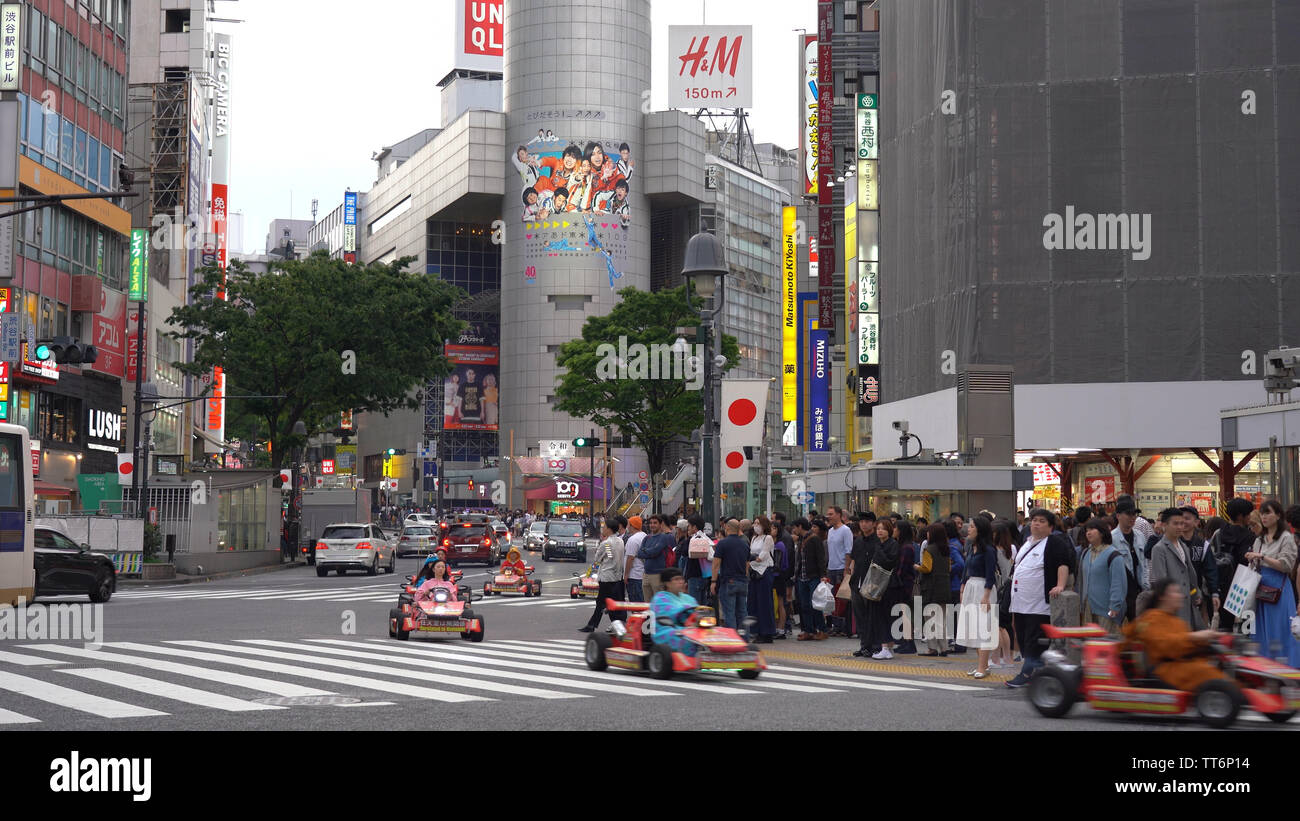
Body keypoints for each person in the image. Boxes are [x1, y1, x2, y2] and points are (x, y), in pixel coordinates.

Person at [1121, 577, 1229, 692]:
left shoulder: (1177, 621)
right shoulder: (1150, 618)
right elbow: (1164, 645)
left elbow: (1186, 647)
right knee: (1206, 673)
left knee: (1218, 664)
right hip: (1163, 670)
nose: (1180, 596)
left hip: (1179, 664)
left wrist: (1210, 643)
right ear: (1162, 597)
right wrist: (1195, 637)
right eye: (1175, 592)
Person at [1005, 509, 1073, 688]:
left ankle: (1027, 673)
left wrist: (1060, 585)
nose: (1036, 523)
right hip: (1020, 602)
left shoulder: (1054, 542)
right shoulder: (1026, 543)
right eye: (1034, 520)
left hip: (1038, 604)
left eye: (1042, 521)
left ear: (1050, 527)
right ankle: (1037, 670)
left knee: (1034, 640)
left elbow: (1062, 564)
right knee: (1022, 636)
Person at [1245, 499, 1300, 665]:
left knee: (1281, 629)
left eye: (1268, 512)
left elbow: (1286, 565)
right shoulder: (1259, 539)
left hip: (1279, 589)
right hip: (1261, 588)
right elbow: (1256, 563)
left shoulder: (1286, 538)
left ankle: (1288, 666)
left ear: (1278, 515)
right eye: (1262, 513)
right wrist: (1253, 560)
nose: (1264, 516)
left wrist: (1262, 557)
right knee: (1262, 629)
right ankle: (1265, 666)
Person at [1147, 508, 1205, 630]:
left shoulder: (1183, 546)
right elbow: (1160, 581)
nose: (1179, 527)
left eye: (1181, 523)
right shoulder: (1159, 549)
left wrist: (1196, 593)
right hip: (1172, 607)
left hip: (1188, 604)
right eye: (1175, 523)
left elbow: (1190, 576)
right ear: (1164, 525)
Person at [956, 516, 999, 677]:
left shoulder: (988, 550)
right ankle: (982, 665)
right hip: (970, 588)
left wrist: (986, 596)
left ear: (980, 530)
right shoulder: (971, 547)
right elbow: (966, 571)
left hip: (983, 589)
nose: (969, 529)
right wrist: (962, 589)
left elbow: (990, 575)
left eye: (972, 526)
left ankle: (983, 667)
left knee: (983, 628)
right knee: (972, 628)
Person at [1075, 518, 1127, 637]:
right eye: (1087, 530)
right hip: (1088, 608)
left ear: (1102, 532)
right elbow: (1081, 581)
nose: (1088, 533)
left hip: (1106, 610)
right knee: (1090, 644)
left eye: (1092, 529)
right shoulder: (1086, 553)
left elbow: (1118, 583)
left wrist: (1115, 606)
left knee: (1106, 643)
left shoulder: (1113, 555)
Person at [862, 518, 902, 659]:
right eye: (878, 528)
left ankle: (885, 647)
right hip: (879, 584)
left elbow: (889, 562)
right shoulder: (880, 544)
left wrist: (878, 550)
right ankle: (886, 646)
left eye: (883, 529)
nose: (879, 531)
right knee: (881, 615)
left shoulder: (892, 545)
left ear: (889, 531)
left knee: (883, 615)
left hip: (888, 585)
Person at [579, 518, 625, 632]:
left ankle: (610, 626)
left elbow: (598, 559)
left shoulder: (607, 543)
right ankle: (593, 625)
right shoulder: (620, 541)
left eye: (604, 527)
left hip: (606, 577)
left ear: (609, 529)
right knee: (608, 603)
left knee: (603, 603)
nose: (602, 529)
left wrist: (600, 550)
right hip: (617, 577)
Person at [847, 513, 881, 657]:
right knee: (860, 616)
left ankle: (875, 645)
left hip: (872, 584)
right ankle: (864, 645)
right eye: (862, 521)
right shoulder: (858, 541)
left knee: (872, 616)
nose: (864, 524)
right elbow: (853, 560)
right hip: (857, 583)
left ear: (873, 523)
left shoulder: (879, 541)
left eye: (867, 521)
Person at [711, 519, 751, 635]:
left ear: (727, 528)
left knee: (729, 613)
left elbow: (716, 564)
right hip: (743, 581)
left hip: (728, 581)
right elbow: (747, 566)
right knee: (742, 612)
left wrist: (713, 582)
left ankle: (733, 640)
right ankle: (744, 639)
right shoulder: (744, 544)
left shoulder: (722, 544)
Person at [650, 568, 701, 656]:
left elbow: (698, 611)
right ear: (667, 583)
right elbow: (668, 614)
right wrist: (685, 613)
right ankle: (694, 658)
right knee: (688, 639)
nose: (681, 582)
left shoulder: (688, 598)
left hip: (692, 627)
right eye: (676, 579)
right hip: (667, 629)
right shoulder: (660, 598)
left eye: (681, 579)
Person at [794, 517, 829, 641]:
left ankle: (822, 630)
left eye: (795, 527)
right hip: (801, 577)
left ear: (800, 526)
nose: (794, 530)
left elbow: (821, 558)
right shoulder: (801, 539)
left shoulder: (814, 539)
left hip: (813, 576)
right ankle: (809, 630)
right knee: (804, 605)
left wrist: (823, 575)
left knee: (815, 605)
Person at [747, 516, 777, 643]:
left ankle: (767, 632)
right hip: (754, 572)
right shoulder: (753, 538)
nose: (755, 525)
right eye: (754, 523)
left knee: (765, 603)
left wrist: (752, 559)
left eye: (758, 523)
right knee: (753, 602)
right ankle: (756, 631)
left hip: (765, 572)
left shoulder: (768, 538)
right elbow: (751, 554)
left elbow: (762, 556)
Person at [825, 507, 854, 636]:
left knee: (842, 598)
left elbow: (849, 550)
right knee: (832, 599)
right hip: (831, 568)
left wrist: (846, 569)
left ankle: (843, 627)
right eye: (828, 514)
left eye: (831, 514)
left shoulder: (846, 530)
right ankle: (835, 625)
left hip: (841, 568)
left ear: (839, 515)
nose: (828, 516)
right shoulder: (830, 531)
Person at [639, 514, 675, 600]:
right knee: (647, 604)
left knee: (659, 603)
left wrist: (645, 551)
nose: (652, 525)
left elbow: (655, 552)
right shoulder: (646, 538)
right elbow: (639, 553)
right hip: (646, 574)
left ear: (660, 524)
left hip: (658, 575)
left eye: (655, 523)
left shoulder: (664, 537)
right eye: (650, 523)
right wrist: (649, 551)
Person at [622, 515, 646, 603]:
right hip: (642, 574)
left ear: (632, 526)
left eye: (628, 524)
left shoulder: (633, 539)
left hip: (634, 575)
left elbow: (630, 558)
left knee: (636, 602)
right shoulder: (644, 536)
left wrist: (626, 575)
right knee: (642, 601)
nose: (627, 527)